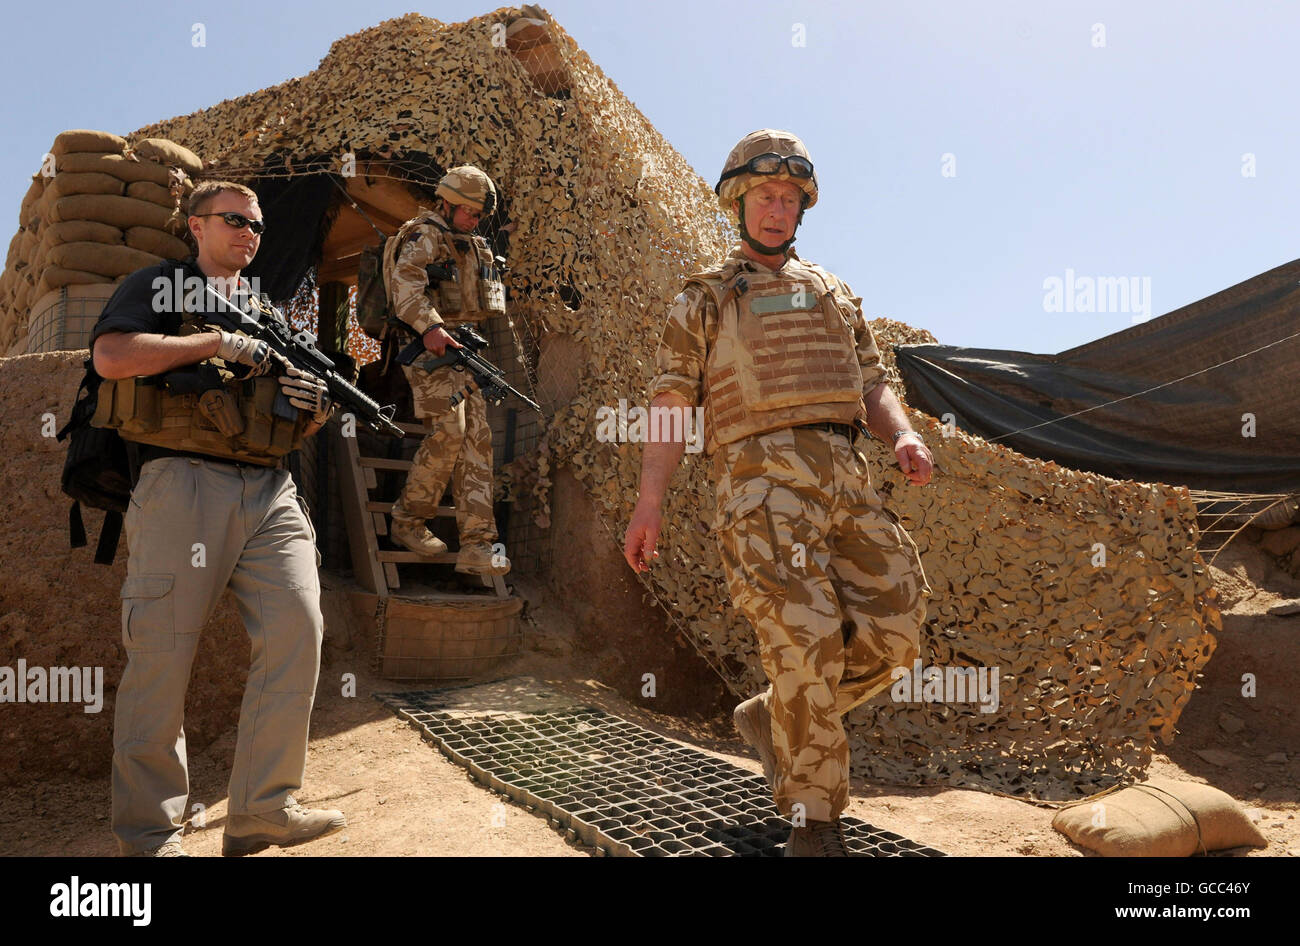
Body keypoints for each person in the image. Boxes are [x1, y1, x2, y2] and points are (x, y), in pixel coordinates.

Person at [623, 130, 933, 857]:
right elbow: (671, 400)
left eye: (790, 197)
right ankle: (813, 823)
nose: (777, 208)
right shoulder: (705, 297)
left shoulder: (832, 292)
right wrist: (650, 500)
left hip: (846, 480)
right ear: (738, 201)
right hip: (760, 487)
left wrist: (903, 435)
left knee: (897, 635)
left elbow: (871, 381)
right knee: (807, 644)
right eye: (765, 195)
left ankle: (775, 716)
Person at [91, 180, 345, 856]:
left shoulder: (268, 309)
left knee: (299, 628)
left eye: (258, 225)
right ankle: (149, 833)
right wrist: (212, 343)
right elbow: (111, 357)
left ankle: (264, 808)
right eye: (235, 220)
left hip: (269, 489)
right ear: (196, 226)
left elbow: (292, 415)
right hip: (182, 480)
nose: (251, 234)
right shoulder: (160, 286)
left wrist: (310, 402)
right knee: (162, 655)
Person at [383, 165, 510, 576]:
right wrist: (431, 325)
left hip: (459, 350)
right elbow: (405, 286)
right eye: (470, 213)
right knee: (451, 429)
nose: (475, 221)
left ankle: (477, 545)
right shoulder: (425, 235)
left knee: (478, 439)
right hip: (425, 348)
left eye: (479, 216)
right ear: (448, 203)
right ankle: (407, 520)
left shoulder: (466, 242)